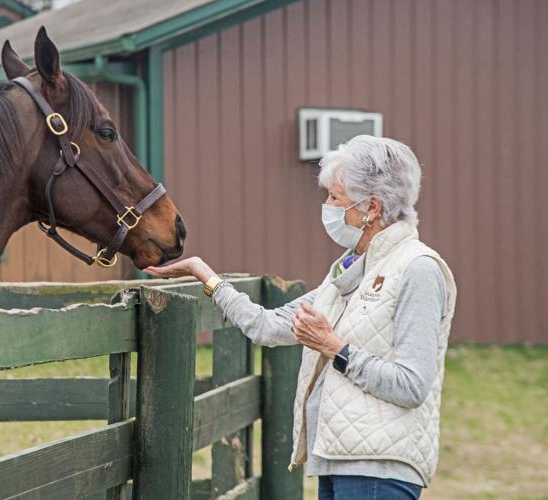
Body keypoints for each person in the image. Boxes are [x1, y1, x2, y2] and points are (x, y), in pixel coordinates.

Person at [143, 135, 456, 500]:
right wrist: (206, 276)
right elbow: (268, 326)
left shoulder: (418, 270)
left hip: (378, 470)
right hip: (337, 460)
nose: (327, 207)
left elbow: (411, 385)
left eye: (336, 198)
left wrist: (335, 348)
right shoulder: (349, 273)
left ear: (371, 207)